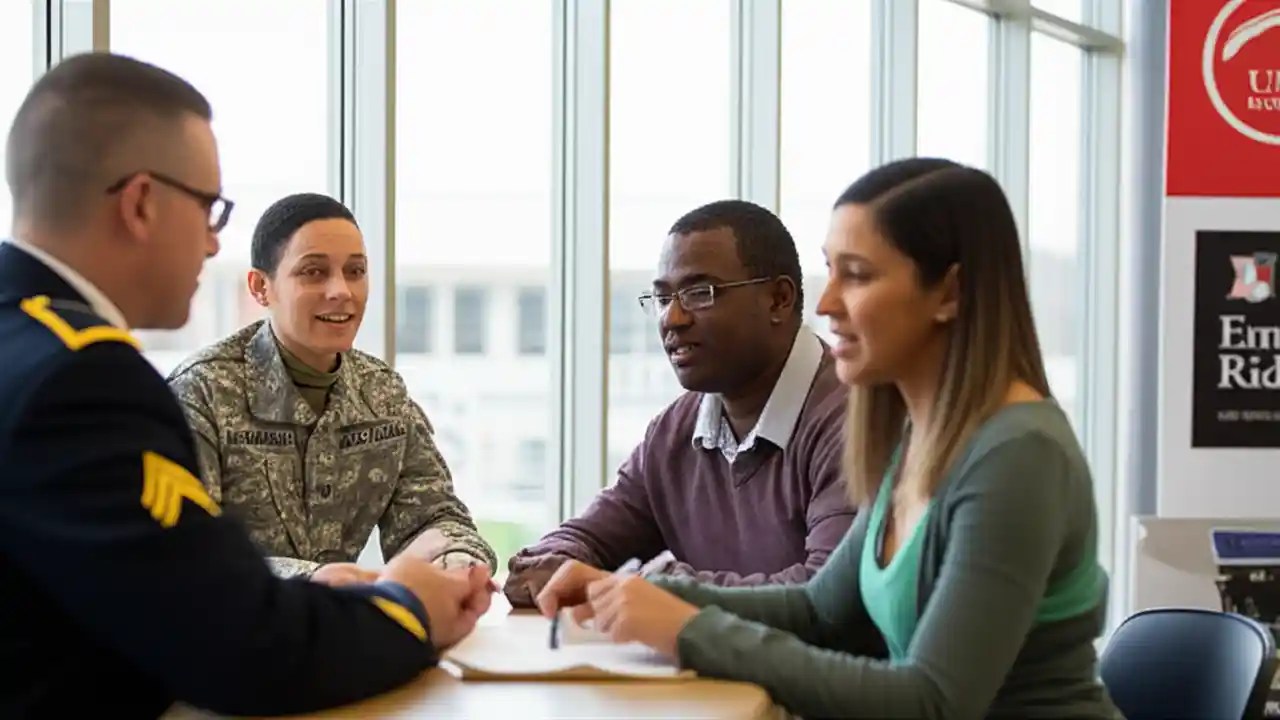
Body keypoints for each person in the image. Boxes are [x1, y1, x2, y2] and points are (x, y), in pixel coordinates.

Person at [535, 159, 1122, 718]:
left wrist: (688, 629)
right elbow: (819, 609)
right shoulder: (924, 435)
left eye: (858, 275)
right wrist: (632, 592)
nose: (827, 303)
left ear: (949, 294)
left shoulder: (1018, 454)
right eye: (832, 269)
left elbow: (933, 702)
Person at [0, 52, 492, 718]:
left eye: (356, 271)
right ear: (142, 202)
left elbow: (435, 515)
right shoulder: (85, 380)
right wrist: (407, 609)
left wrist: (446, 563)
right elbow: (235, 640)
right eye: (211, 209)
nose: (210, 244)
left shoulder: (28, 347)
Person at [504, 199, 854, 607]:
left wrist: (648, 590)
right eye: (662, 298)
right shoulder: (675, 430)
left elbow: (827, 598)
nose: (672, 319)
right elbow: (588, 536)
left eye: (699, 293)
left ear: (779, 299)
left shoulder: (853, 420)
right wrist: (557, 564)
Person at [167, 192, 496, 580]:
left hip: (340, 628)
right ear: (260, 287)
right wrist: (317, 580)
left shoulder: (382, 392)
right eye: (313, 272)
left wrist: (456, 563)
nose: (341, 291)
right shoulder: (202, 391)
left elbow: (435, 516)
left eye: (355, 271)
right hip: (231, 633)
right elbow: (186, 551)